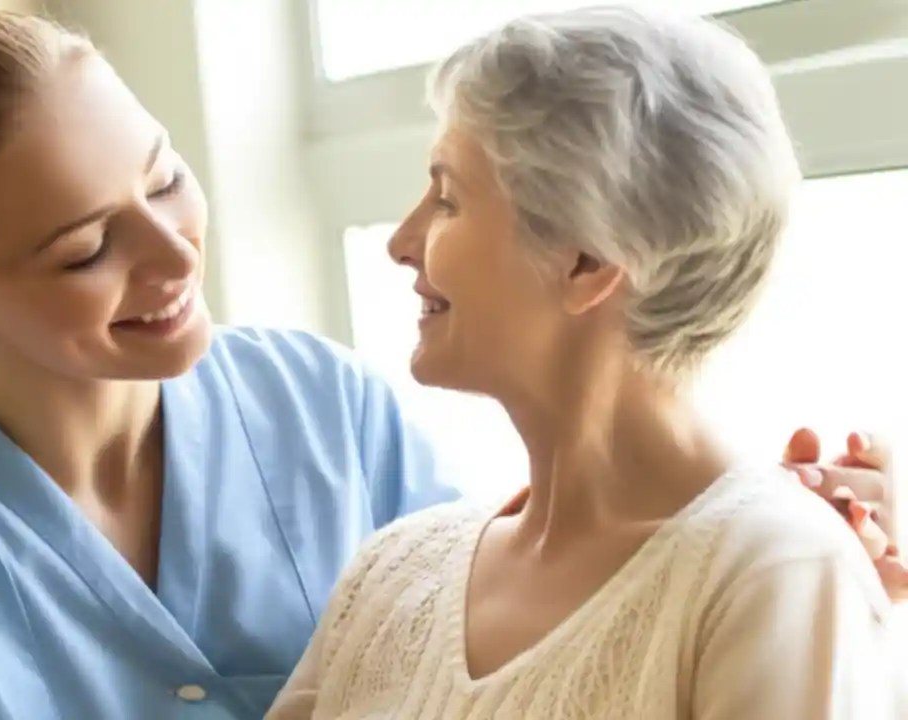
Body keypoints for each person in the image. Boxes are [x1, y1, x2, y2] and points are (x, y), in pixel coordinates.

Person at [0, 10, 899, 720]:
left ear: (593, 260)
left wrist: (757, 556)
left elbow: (577, 615)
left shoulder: (325, 411)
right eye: (84, 248)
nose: (176, 255)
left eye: (164, 179)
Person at [267, 7, 905, 719]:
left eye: (447, 200)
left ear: (588, 260)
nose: (402, 242)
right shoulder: (390, 572)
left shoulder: (774, 569)